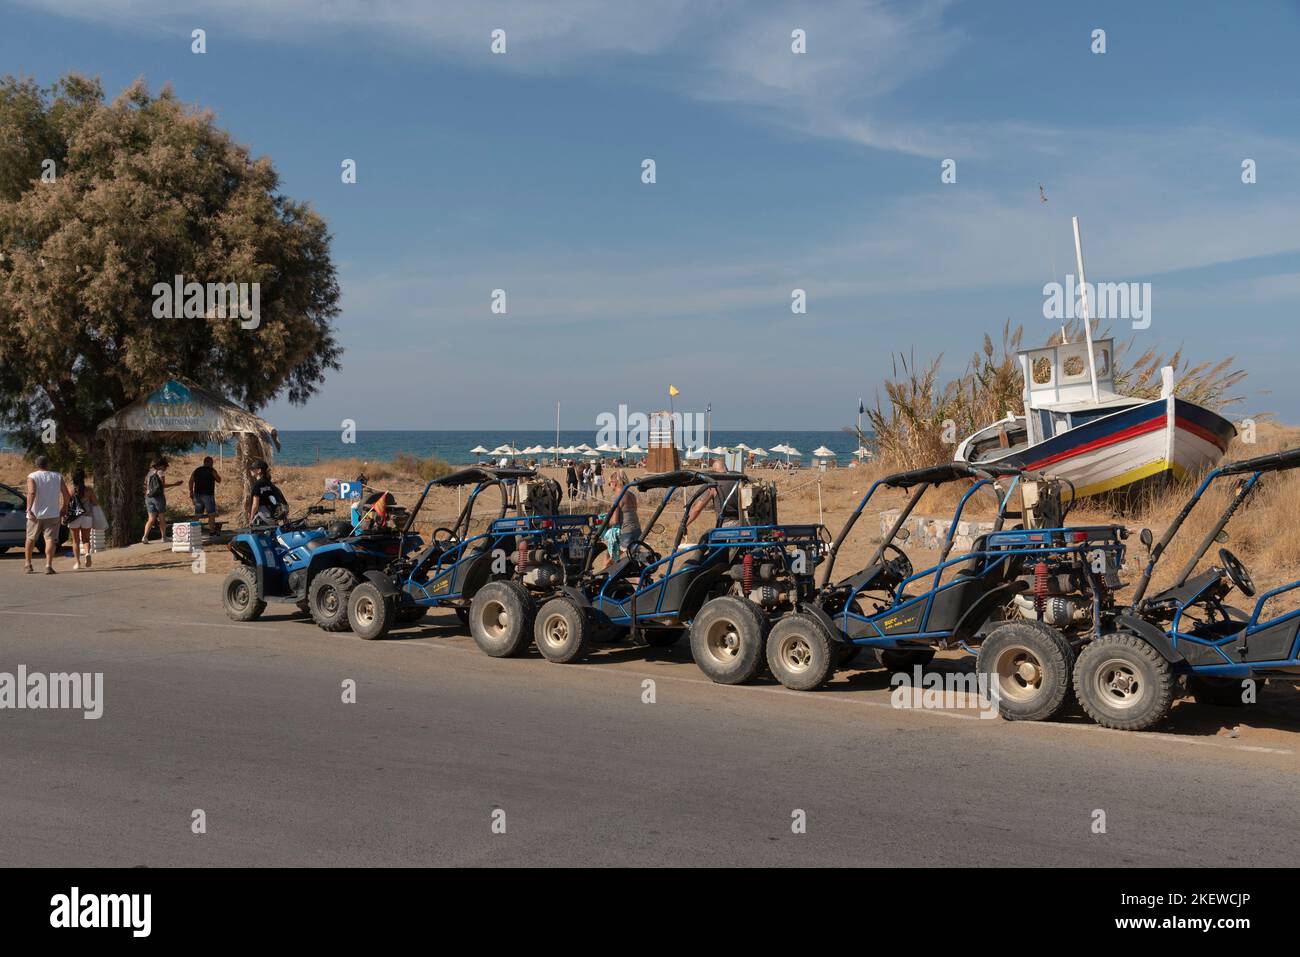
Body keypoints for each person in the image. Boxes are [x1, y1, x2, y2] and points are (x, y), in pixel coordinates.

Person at [24, 455, 69, 574]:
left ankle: (28, 564)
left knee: (30, 539)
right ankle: (48, 565)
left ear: (36, 465)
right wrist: (64, 507)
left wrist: (28, 508)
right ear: (48, 464)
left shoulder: (32, 476)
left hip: (35, 514)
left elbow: (32, 492)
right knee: (50, 540)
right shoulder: (57, 476)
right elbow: (66, 494)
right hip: (53, 513)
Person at [686, 459, 741, 531]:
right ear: (726, 468)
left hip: (725, 525)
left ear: (714, 471)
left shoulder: (713, 485)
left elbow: (697, 509)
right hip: (743, 523)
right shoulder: (739, 481)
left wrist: (684, 524)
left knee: (705, 538)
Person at [603, 479, 642, 568]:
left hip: (626, 531)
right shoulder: (632, 495)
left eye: (610, 483)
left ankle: (604, 579)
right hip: (637, 529)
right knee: (636, 559)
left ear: (615, 483)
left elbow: (614, 520)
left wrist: (605, 524)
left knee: (609, 557)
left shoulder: (618, 497)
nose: (609, 485)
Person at [65, 468, 99, 570]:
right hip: (87, 517)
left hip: (74, 517)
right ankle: (87, 553)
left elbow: (66, 504)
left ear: (73, 479)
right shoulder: (89, 490)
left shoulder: (70, 490)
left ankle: (77, 563)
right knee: (86, 539)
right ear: (84, 478)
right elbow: (95, 503)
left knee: (75, 541)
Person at [141, 458, 181, 544]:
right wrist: (175, 484)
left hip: (148, 497)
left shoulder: (149, 473)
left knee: (151, 518)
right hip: (158, 497)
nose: (166, 469)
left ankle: (145, 537)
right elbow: (162, 485)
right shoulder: (160, 472)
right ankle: (163, 537)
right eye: (165, 467)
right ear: (162, 466)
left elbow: (145, 485)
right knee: (162, 517)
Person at [247, 460, 289, 525]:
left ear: (259, 471)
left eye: (252, 469)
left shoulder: (257, 485)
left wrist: (251, 519)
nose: (250, 470)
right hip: (273, 517)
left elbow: (255, 505)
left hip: (262, 517)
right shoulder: (270, 484)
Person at [189, 456, 222, 534]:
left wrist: (191, 492)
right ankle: (212, 531)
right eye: (212, 463)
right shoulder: (211, 470)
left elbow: (190, 481)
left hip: (197, 495)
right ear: (210, 462)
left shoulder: (196, 470)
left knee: (197, 514)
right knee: (211, 514)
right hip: (208, 495)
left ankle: (193, 531)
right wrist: (216, 473)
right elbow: (218, 480)